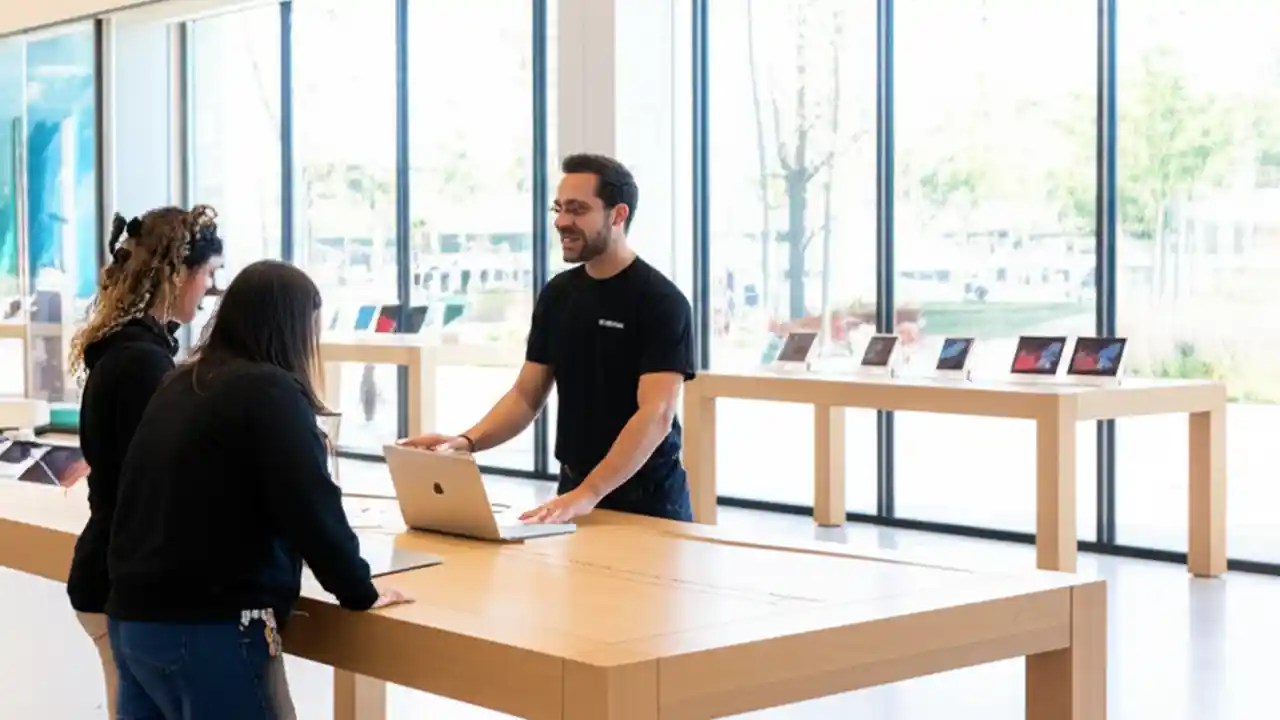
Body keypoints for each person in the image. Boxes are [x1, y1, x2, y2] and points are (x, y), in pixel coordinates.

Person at [105, 260, 411, 719]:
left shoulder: (181, 382)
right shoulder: (269, 391)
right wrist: (359, 589)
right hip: (210, 625)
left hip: (133, 619)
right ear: (292, 327)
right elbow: (310, 504)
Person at [403, 153, 696, 523]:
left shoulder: (661, 302)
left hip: (648, 499)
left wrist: (589, 493)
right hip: (572, 491)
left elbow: (656, 414)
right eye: (558, 209)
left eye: (576, 210)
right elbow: (526, 396)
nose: (561, 222)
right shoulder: (559, 294)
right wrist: (464, 442)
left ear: (618, 215)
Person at [65, 205, 224, 718]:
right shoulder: (142, 362)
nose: (209, 290)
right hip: (118, 577)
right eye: (209, 275)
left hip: (108, 569)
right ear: (178, 274)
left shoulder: (125, 351)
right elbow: (155, 478)